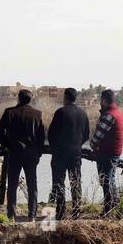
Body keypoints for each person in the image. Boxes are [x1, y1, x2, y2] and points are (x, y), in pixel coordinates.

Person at [0, 89, 46, 220]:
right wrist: (38, 153)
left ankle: (11, 214)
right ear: (30, 99)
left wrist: (7, 146)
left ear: (18, 98)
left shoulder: (9, 112)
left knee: (11, 184)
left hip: (14, 153)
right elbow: (41, 137)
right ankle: (32, 215)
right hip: (31, 155)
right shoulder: (37, 114)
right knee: (32, 185)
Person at [47, 87, 90, 219]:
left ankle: (60, 213)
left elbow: (51, 134)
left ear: (65, 97)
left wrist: (56, 147)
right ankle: (76, 212)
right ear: (75, 98)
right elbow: (87, 135)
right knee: (76, 182)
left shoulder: (60, 112)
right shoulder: (83, 114)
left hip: (60, 154)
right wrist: (77, 144)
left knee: (59, 182)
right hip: (76, 153)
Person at [90, 89, 123, 216]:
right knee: (110, 179)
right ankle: (113, 205)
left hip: (107, 152)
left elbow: (98, 136)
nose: (100, 102)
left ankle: (108, 210)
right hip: (115, 151)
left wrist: (92, 145)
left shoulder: (109, 115)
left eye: (101, 100)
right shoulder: (118, 113)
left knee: (106, 180)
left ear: (104, 100)